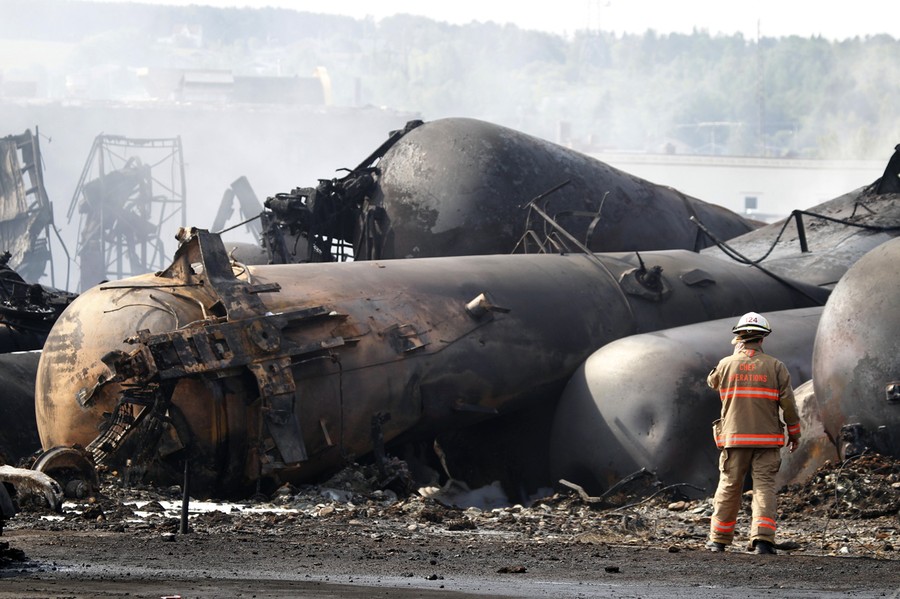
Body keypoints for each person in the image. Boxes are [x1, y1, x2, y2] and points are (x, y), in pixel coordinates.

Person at [706, 312, 801, 555]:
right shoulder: (776, 367)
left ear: (739, 337)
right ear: (763, 339)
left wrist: (736, 353)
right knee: (764, 488)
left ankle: (718, 541)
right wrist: (794, 432)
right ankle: (763, 541)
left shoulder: (726, 364)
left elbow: (712, 382)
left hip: (734, 439)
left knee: (729, 486)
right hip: (767, 440)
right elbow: (788, 404)